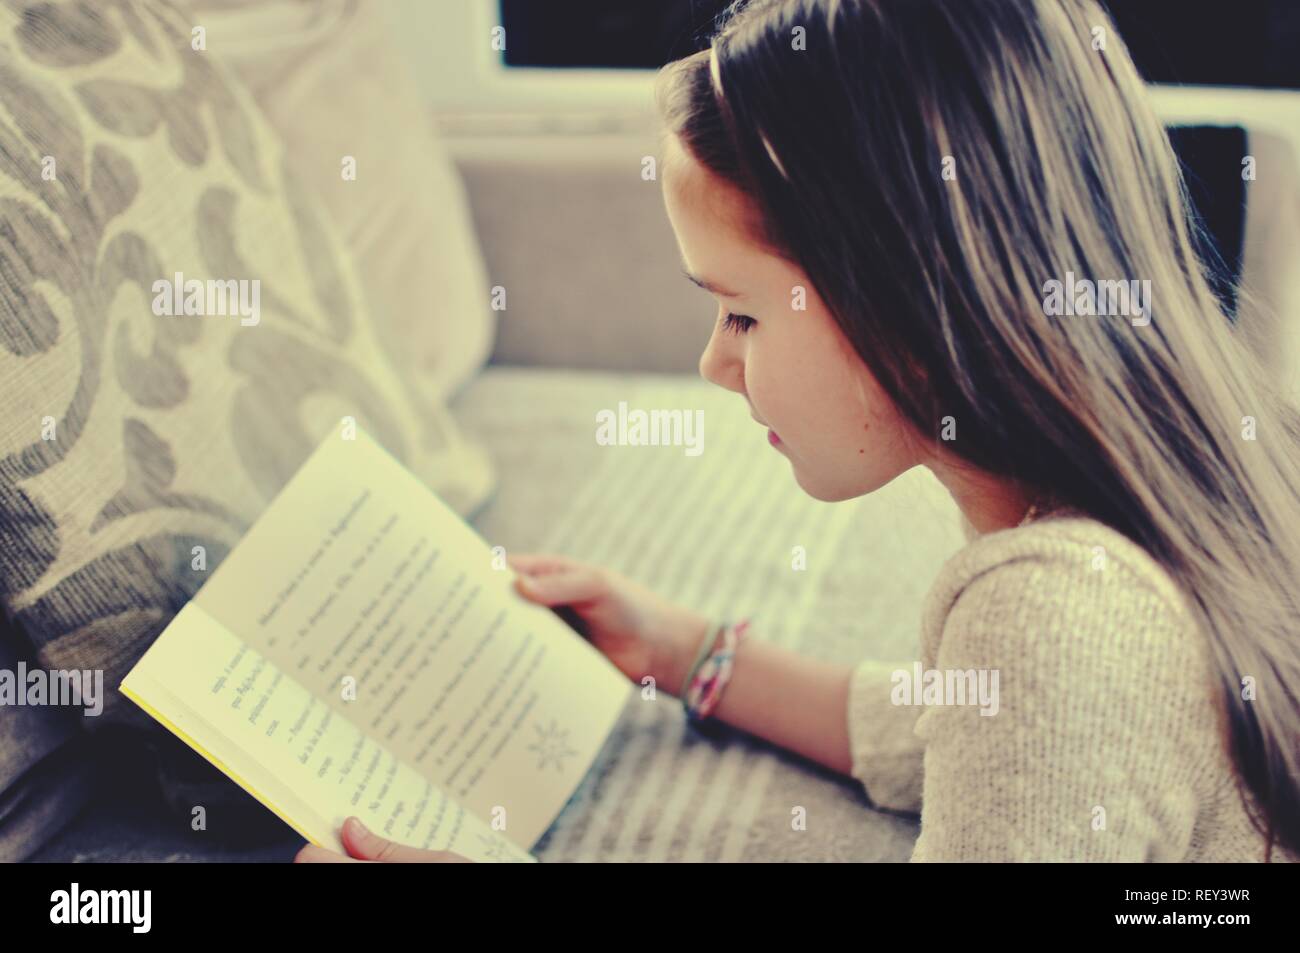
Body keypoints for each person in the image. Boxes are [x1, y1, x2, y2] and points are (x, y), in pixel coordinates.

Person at [297, 0, 1300, 863]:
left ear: (906, 307)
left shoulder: (1056, 616)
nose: (713, 362)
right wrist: (689, 653)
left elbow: (1029, 701)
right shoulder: (1187, 486)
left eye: (740, 315)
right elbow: (962, 727)